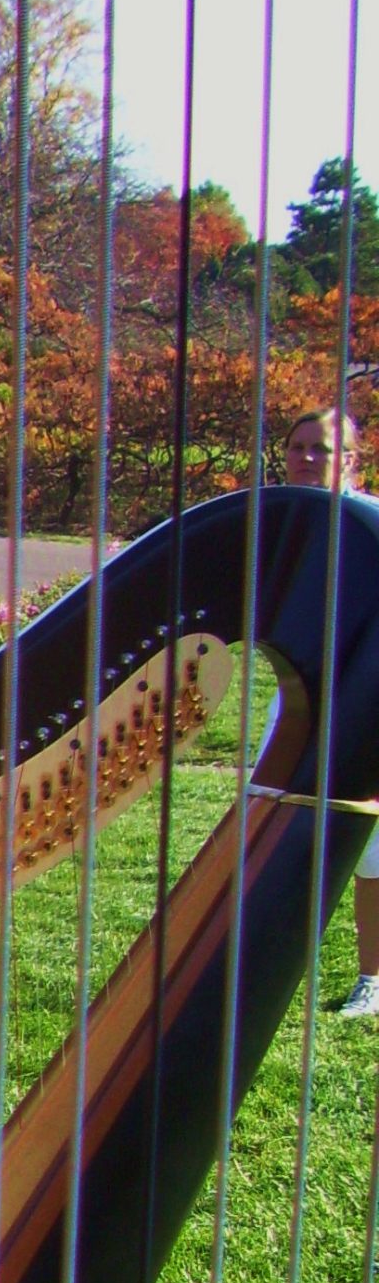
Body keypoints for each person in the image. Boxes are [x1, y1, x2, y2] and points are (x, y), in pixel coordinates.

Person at [285, 410, 379, 1020]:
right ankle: (269, 963)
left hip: (368, 697)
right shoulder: (280, 518)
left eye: (321, 448)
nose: (306, 458)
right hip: (300, 693)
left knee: (372, 852)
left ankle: (373, 978)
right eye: (297, 447)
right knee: (280, 822)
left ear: (351, 459)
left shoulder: (370, 521)